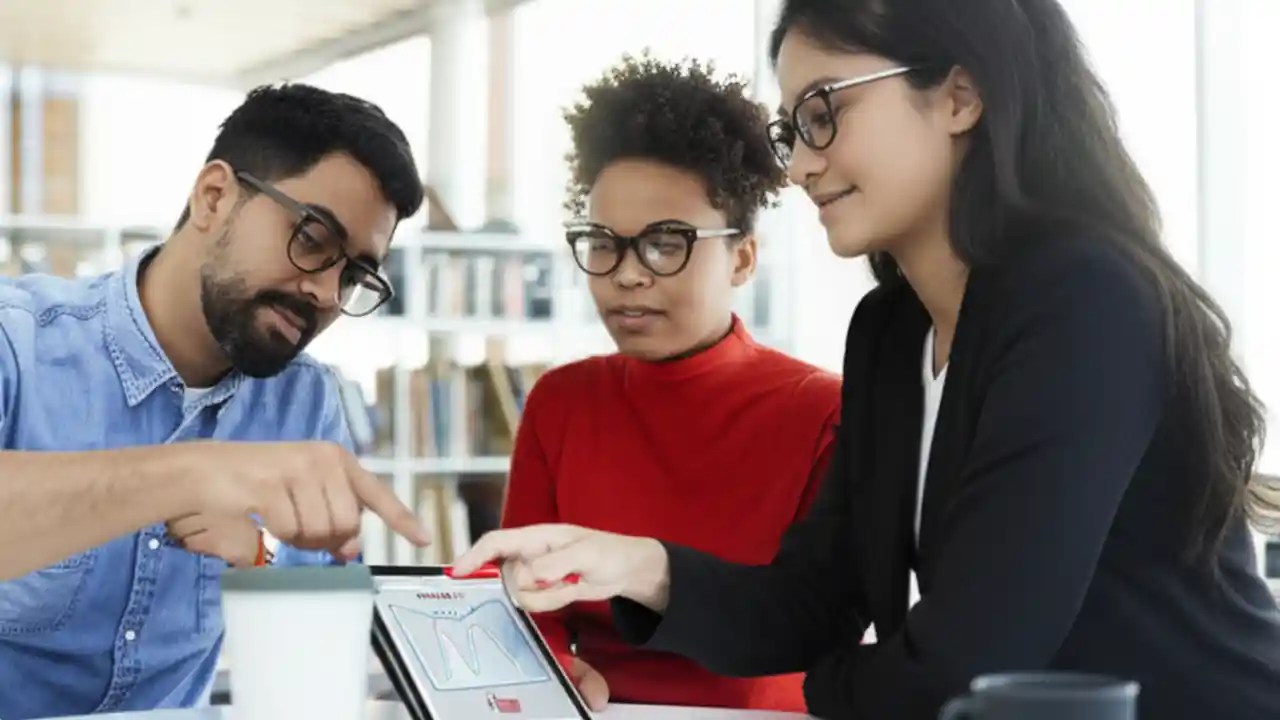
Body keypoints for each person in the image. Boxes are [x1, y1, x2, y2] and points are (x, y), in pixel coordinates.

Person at [455, 1, 1280, 719]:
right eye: (790, 128)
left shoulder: (1086, 299)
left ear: (959, 94)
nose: (799, 162)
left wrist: (811, 692)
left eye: (823, 112)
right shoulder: (890, 332)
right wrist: (637, 564)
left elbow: (972, 663)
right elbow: (815, 599)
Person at [0, 83, 432, 720]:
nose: (327, 295)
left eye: (355, 275)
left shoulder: (305, 406)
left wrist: (263, 559)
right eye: (312, 239)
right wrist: (191, 474)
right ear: (214, 197)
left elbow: (310, 672)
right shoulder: (21, 343)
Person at [498, 54, 841, 713]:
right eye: (602, 242)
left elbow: (814, 623)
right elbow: (521, 601)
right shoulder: (562, 402)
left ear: (742, 257)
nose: (627, 274)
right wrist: (556, 669)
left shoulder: (821, 410)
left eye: (665, 243)